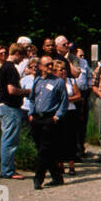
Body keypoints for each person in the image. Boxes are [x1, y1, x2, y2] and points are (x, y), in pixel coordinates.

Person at [28, 55, 69, 190]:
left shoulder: (58, 82)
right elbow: (32, 98)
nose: (50, 67)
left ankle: (38, 179)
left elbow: (64, 101)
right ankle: (57, 177)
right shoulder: (37, 81)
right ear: (40, 67)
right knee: (43, 149)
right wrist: (31, 113)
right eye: (47, 65)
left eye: (51, 64)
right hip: (37, 118)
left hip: (50, 118)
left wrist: (57, 116)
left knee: (44, 149)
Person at [0, 43, 28, 181]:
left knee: (8, 138)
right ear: (17, 54)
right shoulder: (10, 68)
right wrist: (27, 91)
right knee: (10, 139)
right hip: (10, 107)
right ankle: (8, 170)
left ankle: (7, 168)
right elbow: (12, 90)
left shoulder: (5, 66)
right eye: (21, 57)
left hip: (6, 106)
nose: (22, 60)